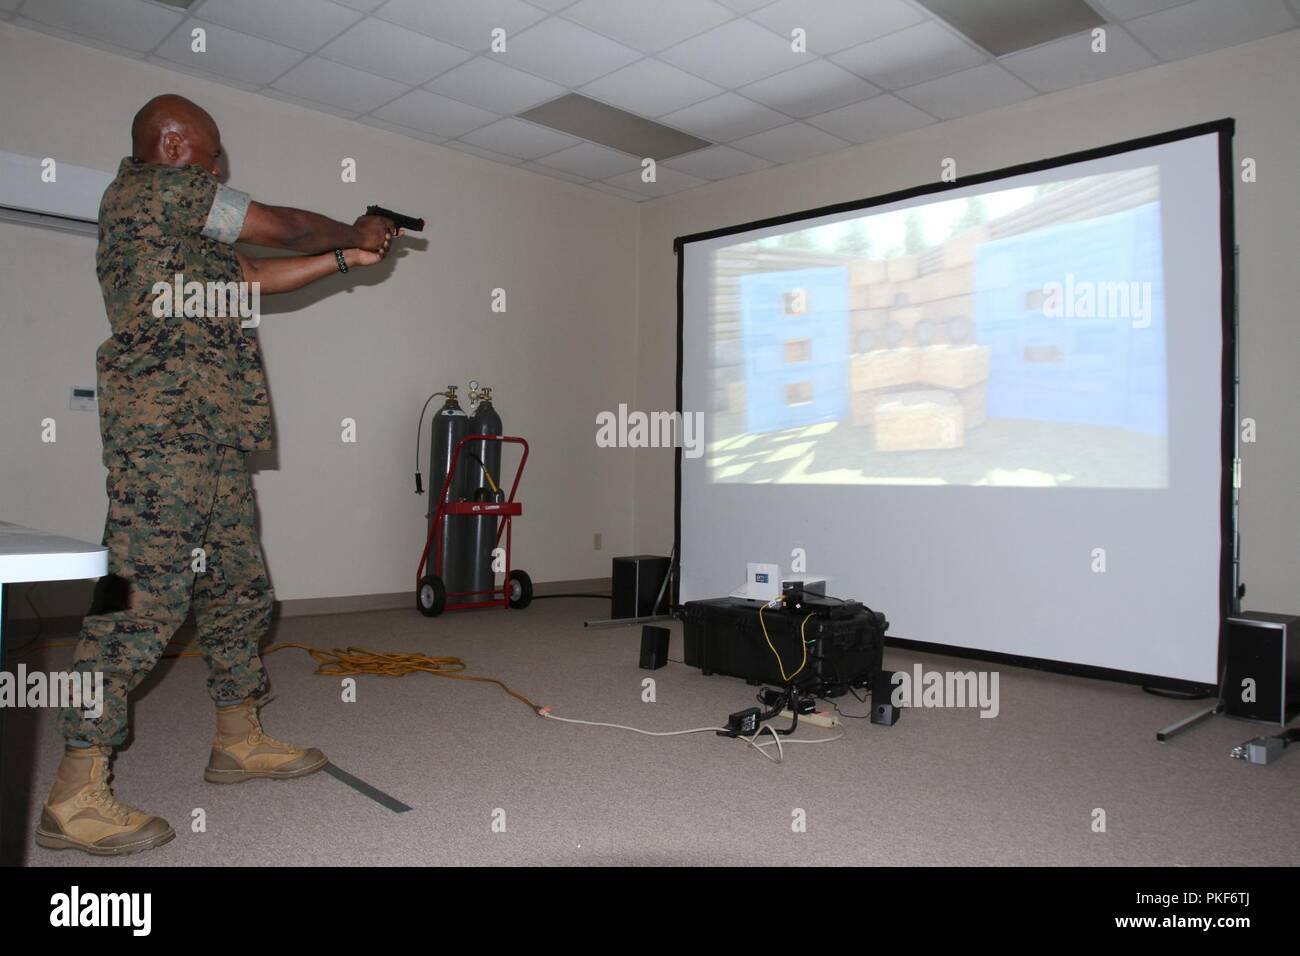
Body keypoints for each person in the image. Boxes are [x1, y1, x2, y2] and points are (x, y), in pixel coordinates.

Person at [37, 94, 405, 856]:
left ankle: (237, 738)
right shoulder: (146, 191)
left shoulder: (188, 234)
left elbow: (255, 276)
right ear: (174, 149)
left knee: (239, 589)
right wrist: (352, 227)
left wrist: (347, 259)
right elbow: (285, 226)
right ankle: (75, 791)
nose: (219, 169)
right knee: (140, 604)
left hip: (214, 438)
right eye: (212, 158)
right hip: (162, 441)